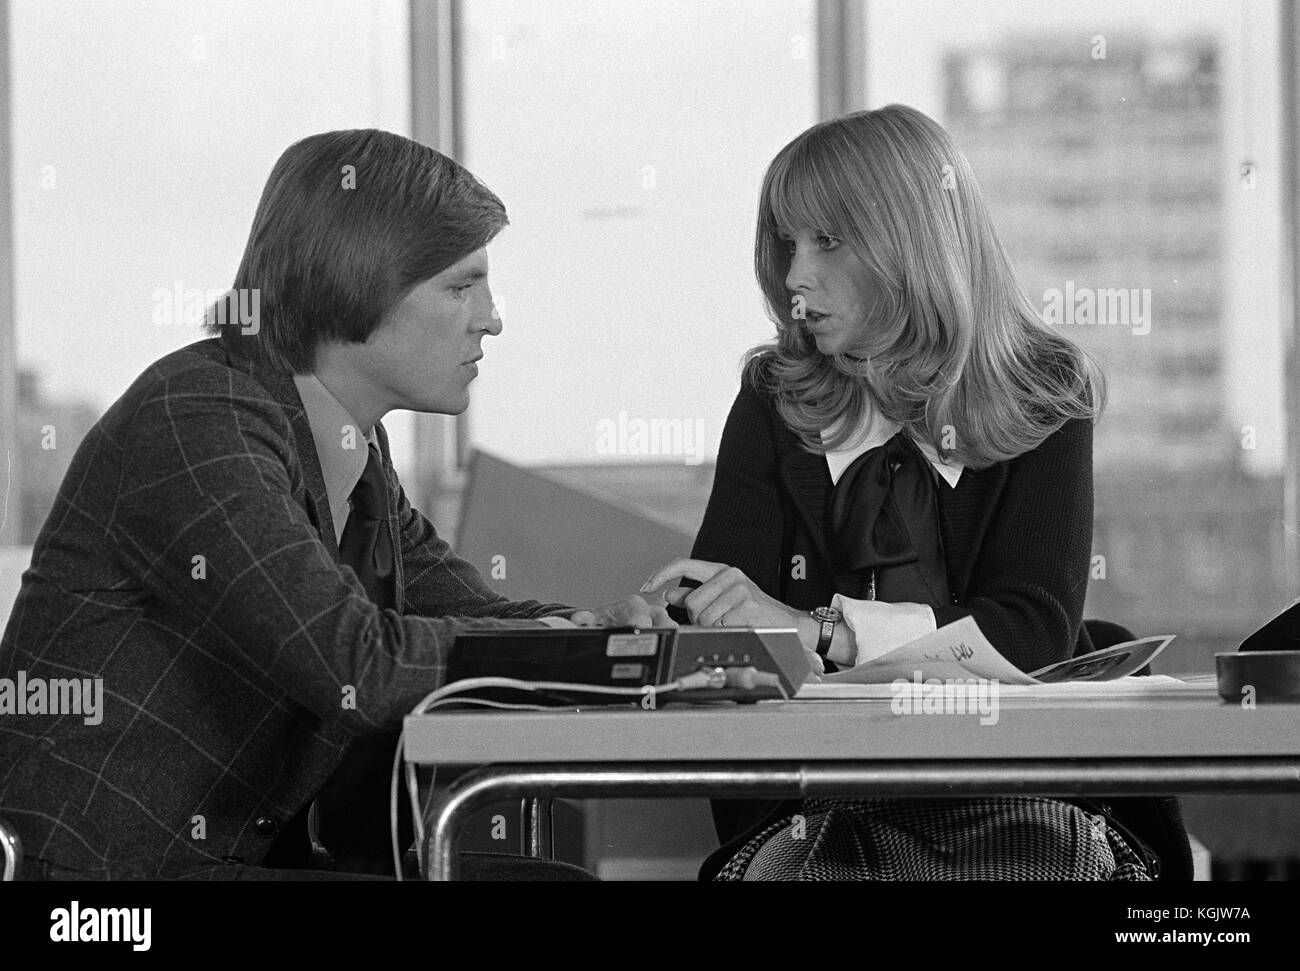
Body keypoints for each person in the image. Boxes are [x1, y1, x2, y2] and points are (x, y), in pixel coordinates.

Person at [0, 129, 669, 881]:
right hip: (99, 883)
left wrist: (603, 628)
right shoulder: (198, 418)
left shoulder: (352, 449)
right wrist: (576, 652)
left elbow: (467, 611)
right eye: (461, 286)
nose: (491, 317)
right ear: (363, 280)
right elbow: (356, 660)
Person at [643, 105, 1190, 882]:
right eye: (789, 243)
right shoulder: (773, 397)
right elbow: (723, 632)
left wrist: (822, 630)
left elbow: (1031, 627)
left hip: (1018, 798)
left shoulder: (1042, 391)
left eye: (829, 241)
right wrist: (677, 620)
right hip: (818, 806)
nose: (796, 275)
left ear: (913, 244)